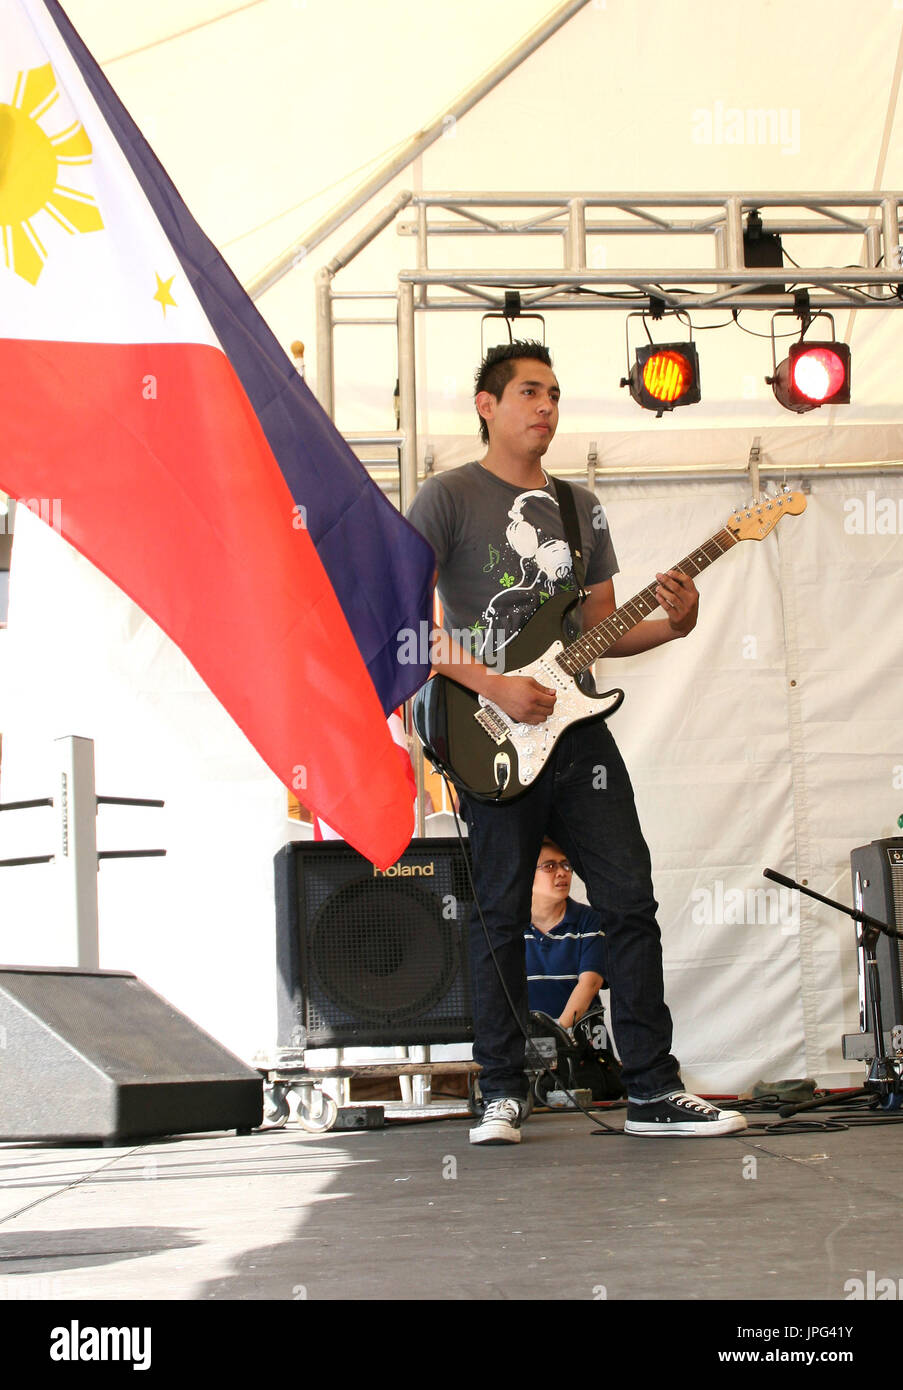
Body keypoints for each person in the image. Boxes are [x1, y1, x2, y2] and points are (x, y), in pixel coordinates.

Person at [406, 340, 746, 1145]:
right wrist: (493, 686)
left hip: (577, 733)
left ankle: (653, 1092)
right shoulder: (446, 497)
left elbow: (596, 630)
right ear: (486, 405)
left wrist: (677, 622)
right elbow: (405, 626)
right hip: (487, 730)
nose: (545, 407)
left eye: (554, 394)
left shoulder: (578, 506)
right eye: (528, 392)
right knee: (496, 912)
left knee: (629, 897)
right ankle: (498, 1091)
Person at [526, 839, 607, 1030]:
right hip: (525, 1046)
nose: (562, 872)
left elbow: (590, 983)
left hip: (583, 1046)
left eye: (566, 864)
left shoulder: (590, 920)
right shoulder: (507, 926)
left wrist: (559, 1034)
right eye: (550, 866)